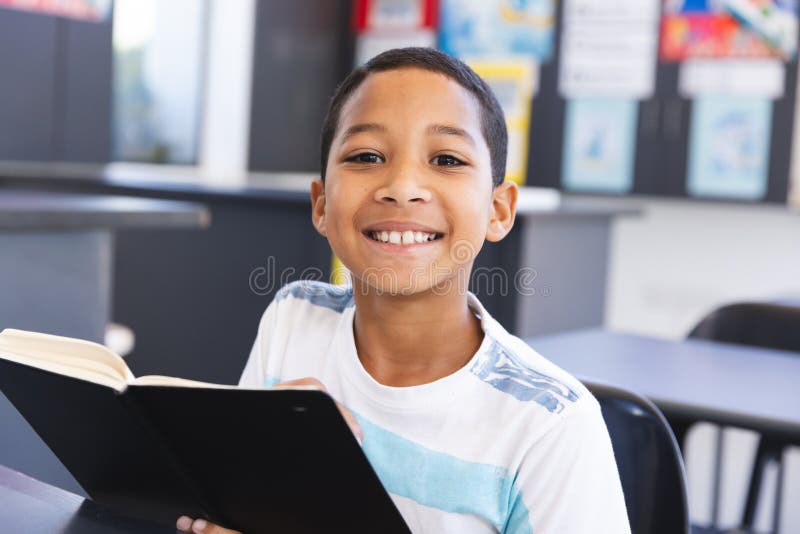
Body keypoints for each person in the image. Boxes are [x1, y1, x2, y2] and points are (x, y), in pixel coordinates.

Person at [177, 47, 630, 534]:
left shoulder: (551, 425)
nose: (403, 187)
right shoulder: (293, 318)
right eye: (367, 156)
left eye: (447, 159)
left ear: (498, 211)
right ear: (322, 204)